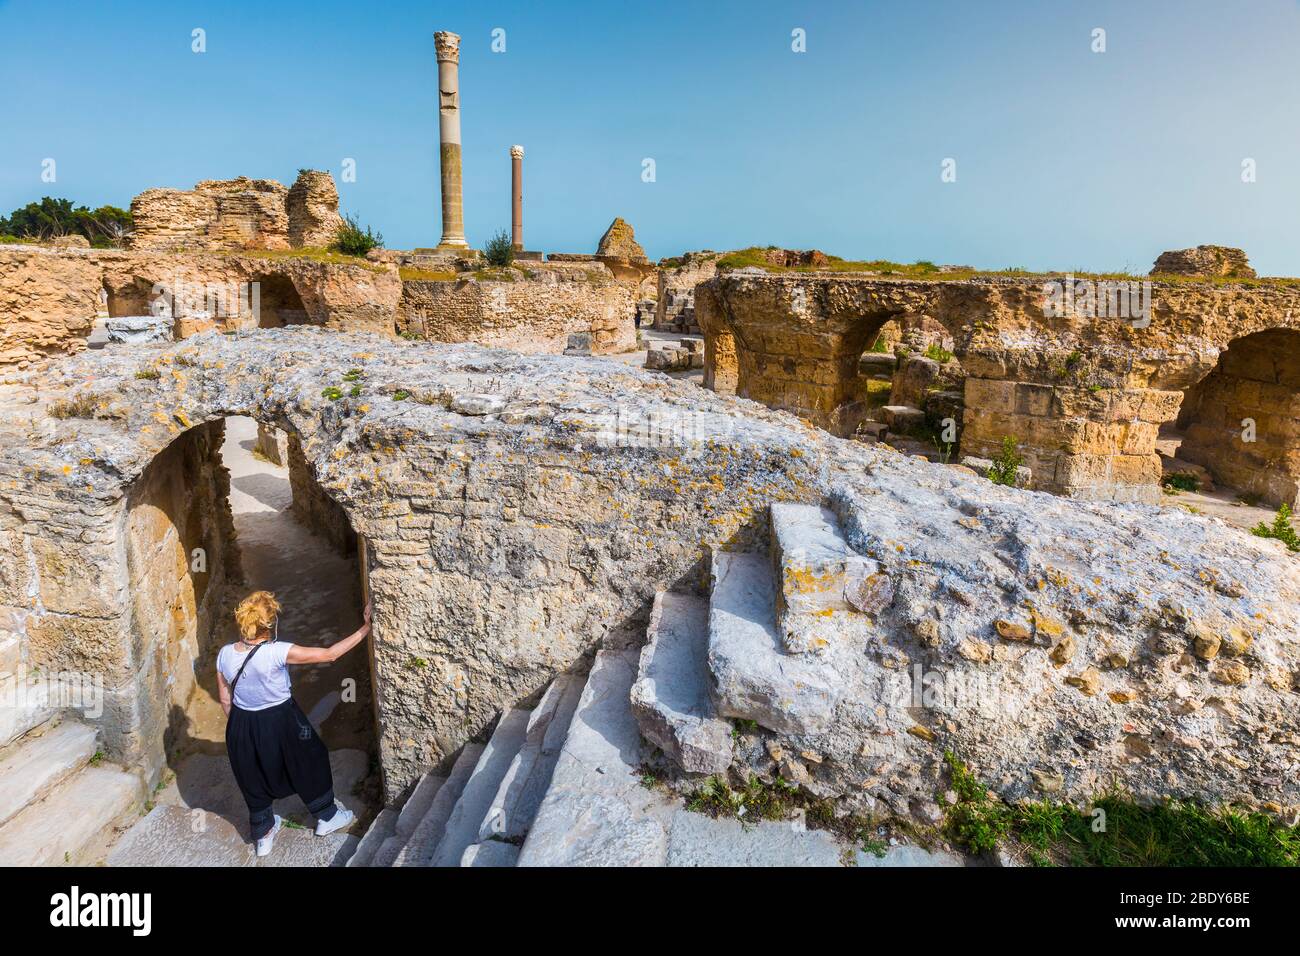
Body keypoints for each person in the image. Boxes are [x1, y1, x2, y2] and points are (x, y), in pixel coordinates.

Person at [216, 590, 372, 857]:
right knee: (309, 760)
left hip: (241, 722)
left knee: (252, 773)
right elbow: (329, 655)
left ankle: (263, 833)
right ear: (271, 624)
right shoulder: (278, 651)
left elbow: (225, 699)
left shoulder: (225, 654)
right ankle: (327, 816)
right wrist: (365, 628)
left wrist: (245, 731)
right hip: (282, 719)